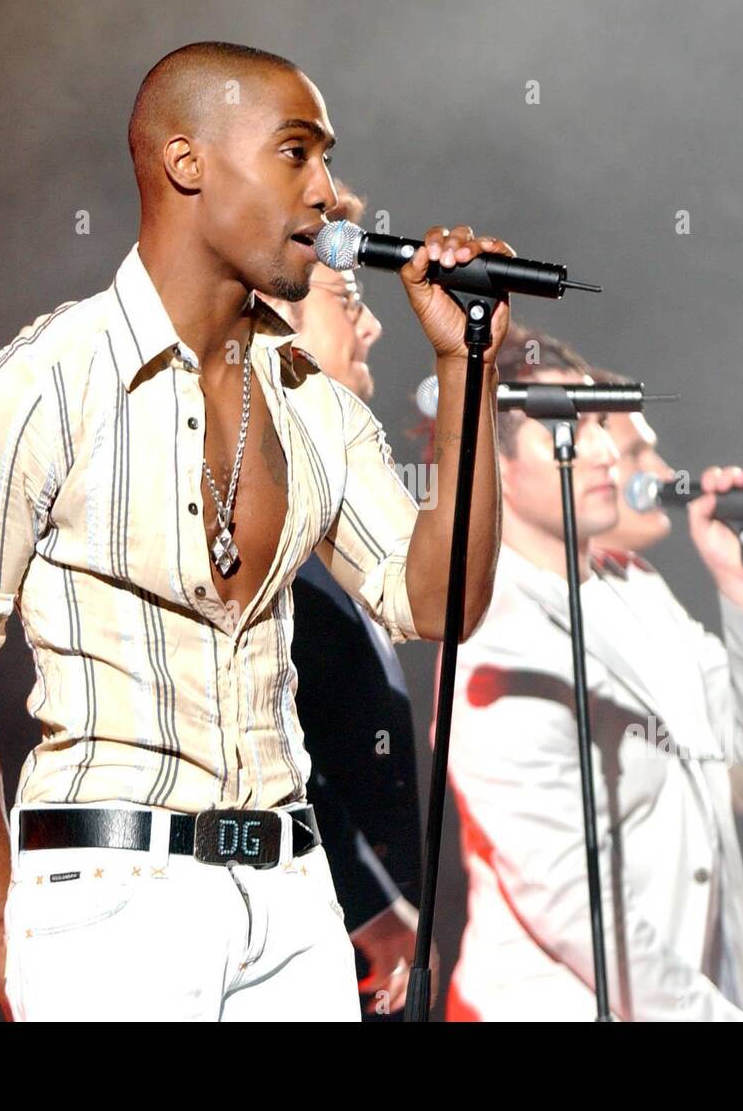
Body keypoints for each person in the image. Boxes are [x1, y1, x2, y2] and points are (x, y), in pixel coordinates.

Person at [0, 40, 513, 1021]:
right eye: (296, 153)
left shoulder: (314, 407)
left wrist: (465, 366)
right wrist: (0, 913)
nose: (326, 191)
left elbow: (440, 601)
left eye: (326, 158)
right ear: (188, 163)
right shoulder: (50, 378)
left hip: (292, 895)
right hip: (107, 894)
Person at [440, 322, 743, 1020]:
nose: (603, 450)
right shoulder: (492, 644)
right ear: (497, 469)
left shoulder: (637, 590)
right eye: (565, 430)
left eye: (598, 423)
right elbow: (578, 911)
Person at [259, 177, 431, 1020]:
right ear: (277, 308)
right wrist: (368, 906)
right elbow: (264, 730)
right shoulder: (247, 503)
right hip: (282, 936)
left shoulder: (334, 497)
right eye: (348, 299)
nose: (373, 322)